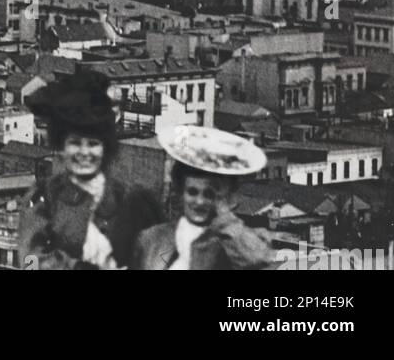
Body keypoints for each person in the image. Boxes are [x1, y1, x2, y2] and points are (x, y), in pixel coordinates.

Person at [19, 67, 162, 270]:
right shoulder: (45, 198)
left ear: (105, 147)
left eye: (93, 144)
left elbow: (160, 251)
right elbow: (29, 261)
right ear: (62, 147)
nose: (84, 152)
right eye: (75, 143)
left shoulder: (133, 199)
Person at [133, 127, 277, 271]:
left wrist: (225, 217)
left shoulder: (233, 243)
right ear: (181, 193)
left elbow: (258, 260)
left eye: (209, 194)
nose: (200, 201)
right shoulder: (152, 238)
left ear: (221, 198)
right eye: (192, 192)